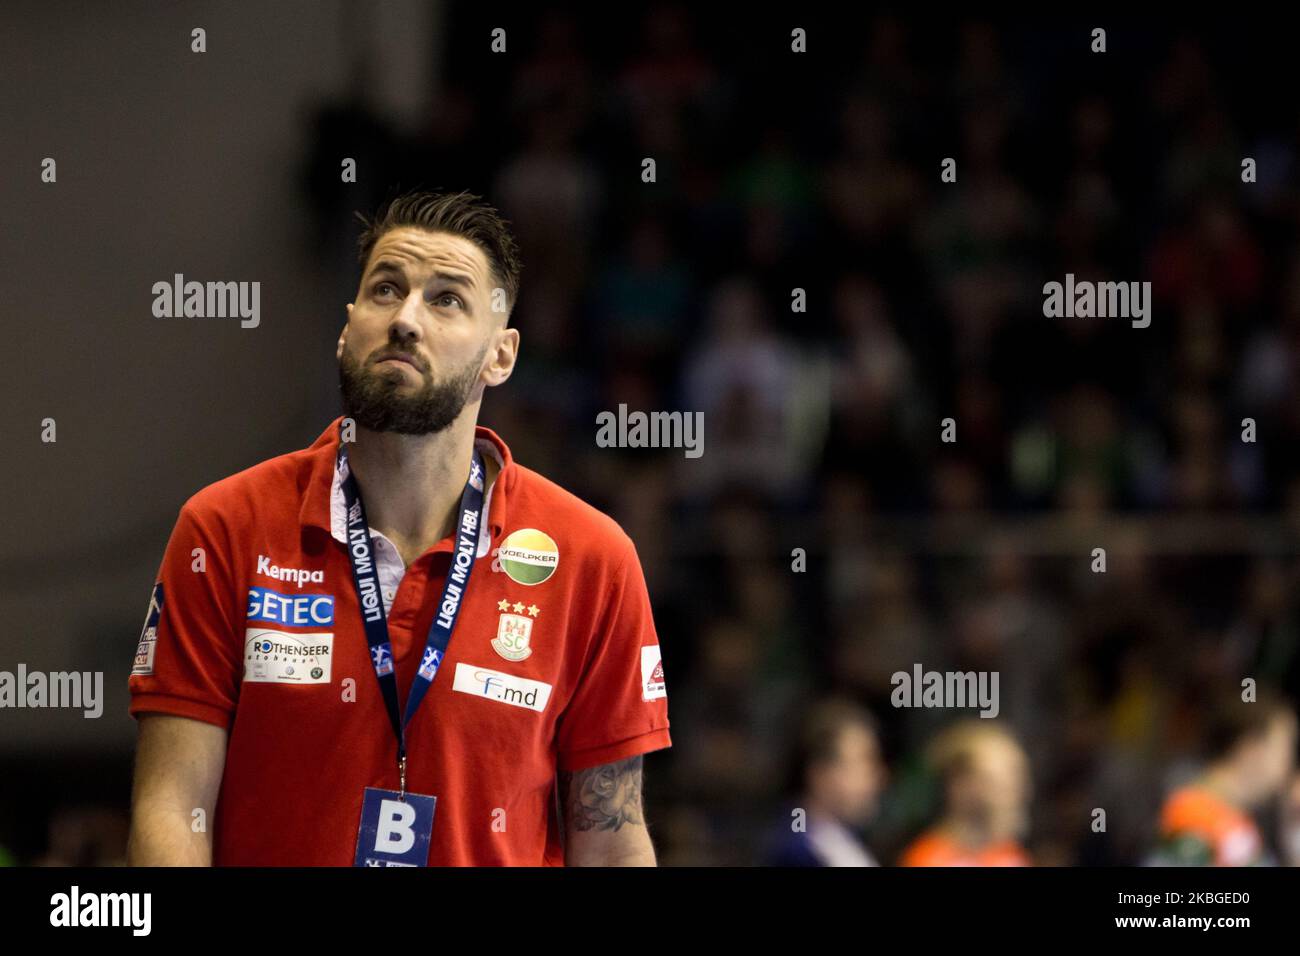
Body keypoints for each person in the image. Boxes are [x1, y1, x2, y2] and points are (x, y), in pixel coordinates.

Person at [126, 190, 672, 866]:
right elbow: (173, 810)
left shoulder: (592, 558)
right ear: (347, 327)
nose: (406, 319)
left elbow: (614, 843)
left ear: (500, 357)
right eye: (386, 290)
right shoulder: (224, 530)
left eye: (447, 299)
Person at [1148, 691, 1296, 866]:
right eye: (1284, 749)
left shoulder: (1238, 821)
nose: (1287, 766)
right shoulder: (1193, 813)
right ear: (1251, 749)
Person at [764, 697, 884, 866]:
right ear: (820, 774)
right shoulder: (796, 852)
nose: (877, 776)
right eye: (863, 761)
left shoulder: (840, 839)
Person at [898, 720, 1031, 866]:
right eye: (995, 782)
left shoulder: (1010, 855)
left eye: (1017, 780)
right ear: (959, 786)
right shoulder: (928, 859)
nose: (1016, 794)